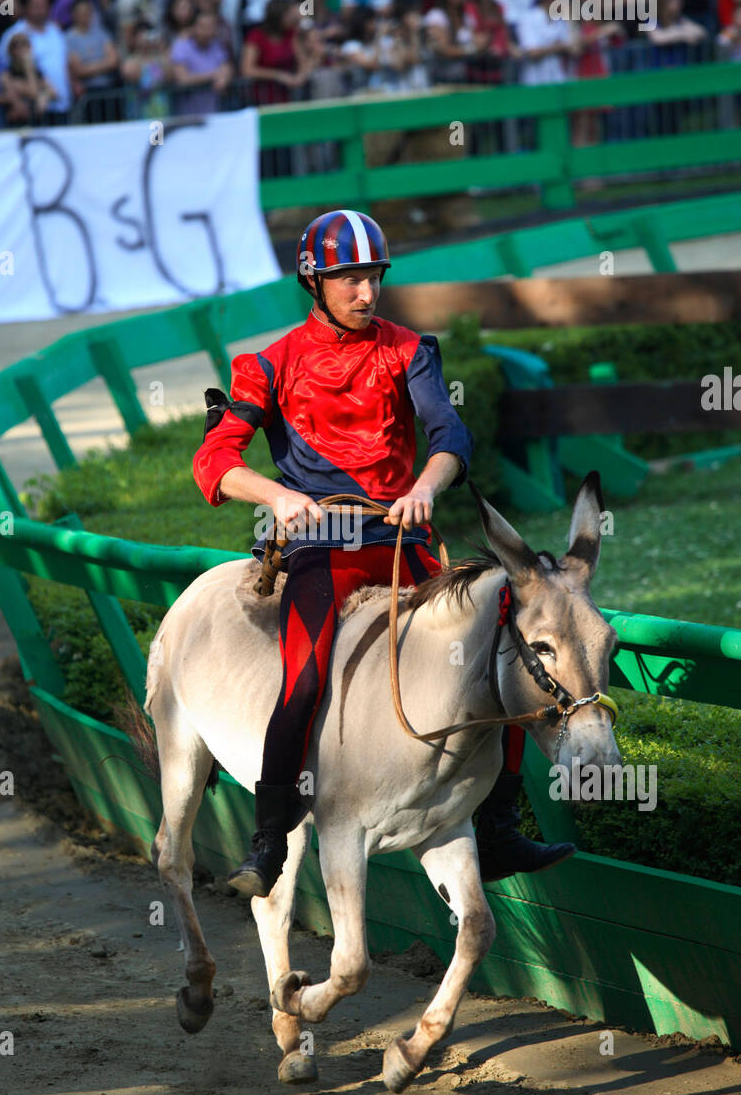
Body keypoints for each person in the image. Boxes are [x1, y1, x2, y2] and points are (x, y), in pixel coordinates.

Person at [193, 208, 576, 897]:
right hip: (323, 547)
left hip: (403, 542)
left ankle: (497, 825)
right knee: (305, 675)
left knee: (504, 642)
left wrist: (427, 486)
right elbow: (215, 458)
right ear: (314, 281)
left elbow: (449, 435)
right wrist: (276, 497)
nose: (367, 292)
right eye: (350, 279)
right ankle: (269, 841)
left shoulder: (407, 350)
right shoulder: (270, 363)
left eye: (373, 276)